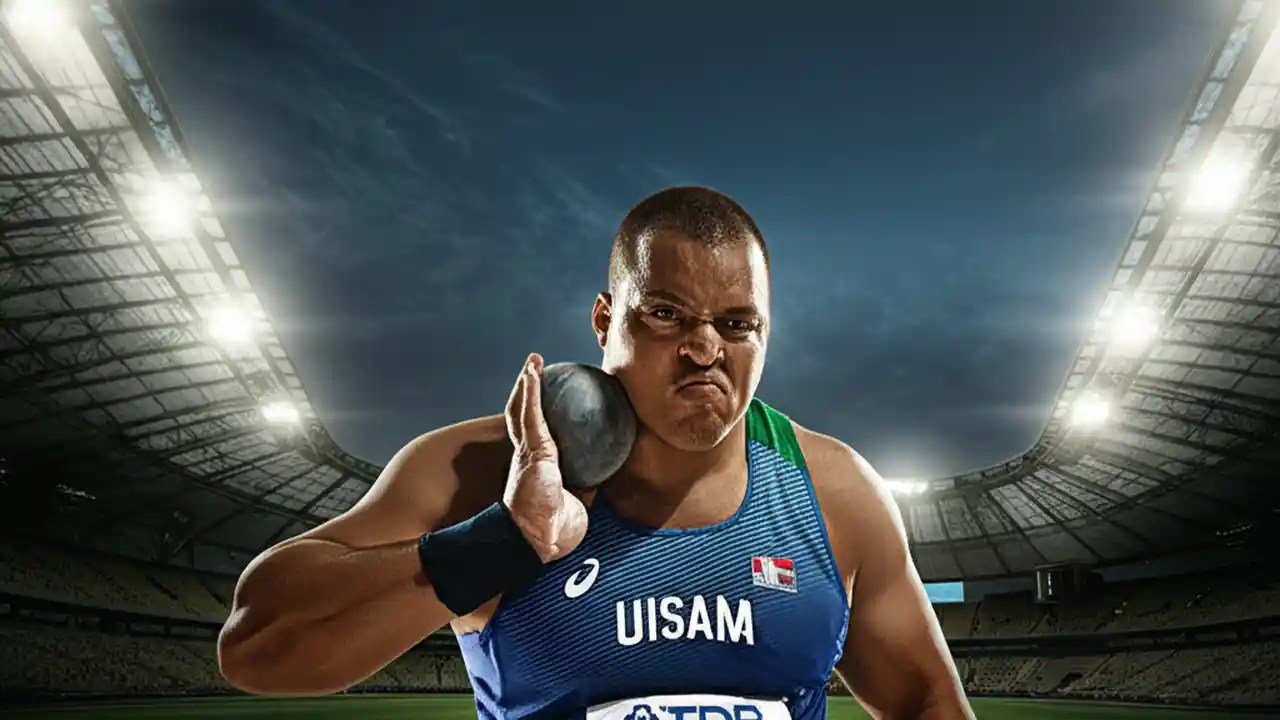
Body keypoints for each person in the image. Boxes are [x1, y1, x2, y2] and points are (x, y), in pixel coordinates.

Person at [217, 187, 975, 720]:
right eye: (667, 314)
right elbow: (258, 643)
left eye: (737, 324)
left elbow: (927, 701)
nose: (705, 348)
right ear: (605, 320)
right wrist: (504, 540)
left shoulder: (834, 493)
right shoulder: (483, 470)